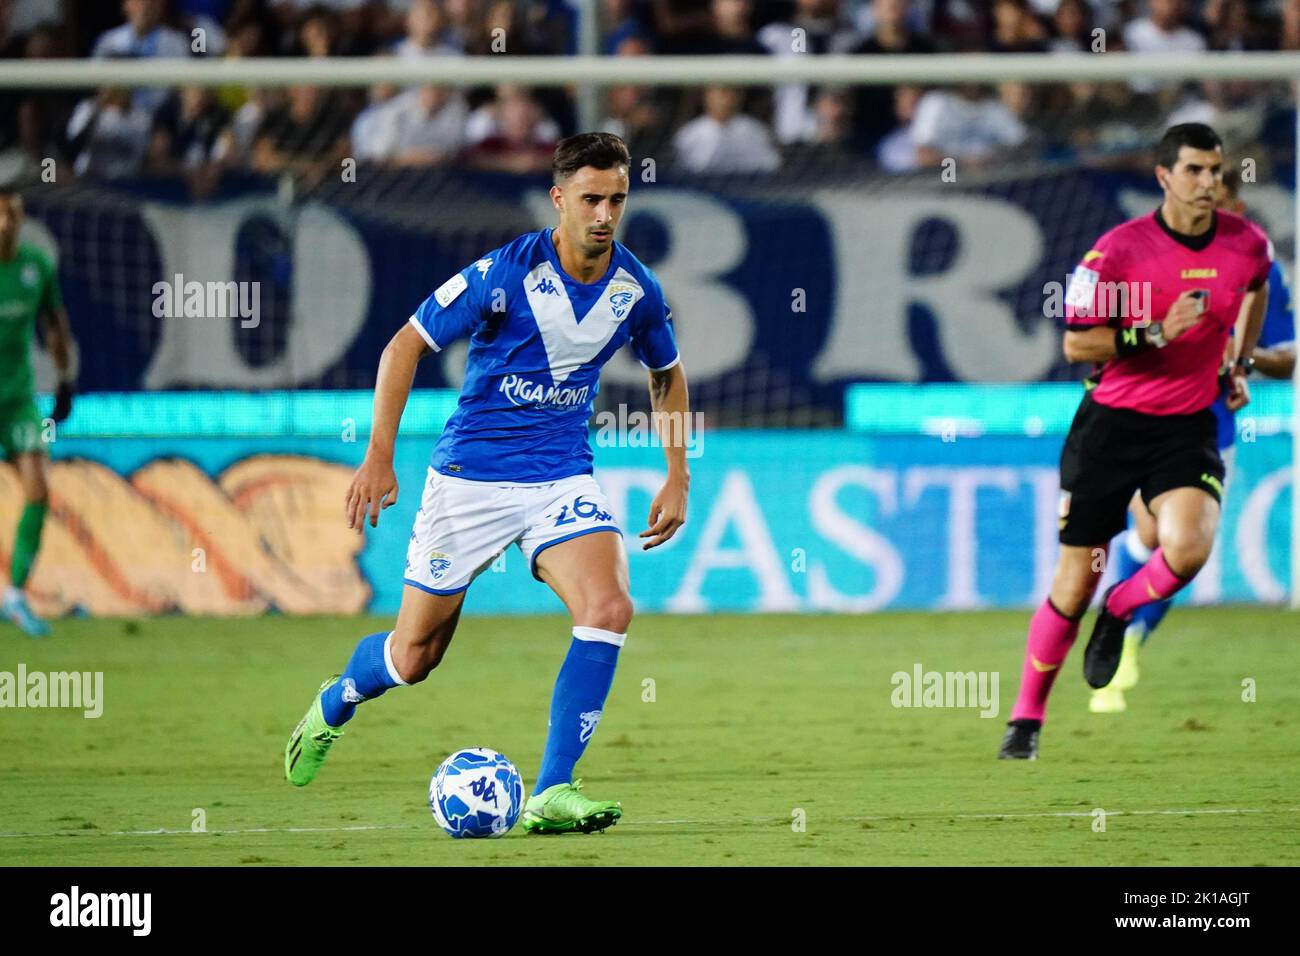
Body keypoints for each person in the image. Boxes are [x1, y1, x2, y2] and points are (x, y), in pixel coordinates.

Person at [283, 133, 690, 835]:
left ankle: (553, 790)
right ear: (559, 199)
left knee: (610, 607)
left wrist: (678, 473)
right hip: (469, 480)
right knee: (414, 658)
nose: (604, 214)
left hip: (561, 476)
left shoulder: (635, 289)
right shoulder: (503, 275)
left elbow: (667, 374)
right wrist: (380, 454)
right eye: (590, 199)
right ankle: (337, 702)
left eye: (617, 199)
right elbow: (404, 343)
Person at [999, 123, 1272, 759]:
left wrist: (1240, 361)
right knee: (1073, 584)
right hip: (1112, 427)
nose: (1209, 183)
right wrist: (1153, 332)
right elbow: (1076, 343)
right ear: (1164, 178)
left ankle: (1120, 613)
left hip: (1185, 424)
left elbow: (1255, 287)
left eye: (1215, 171)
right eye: (1195, 171)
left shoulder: (1245, 244)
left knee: (1189, 547)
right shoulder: (1116, 254)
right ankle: (1025, 721)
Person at [1089, 167, 1295, 713]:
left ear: (1237, 210)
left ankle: (1129, 635)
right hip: (1146, 410)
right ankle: (1118, 628)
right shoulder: (1144, 259)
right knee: (1152, 529)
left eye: (1220, 203)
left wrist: (1242, 358)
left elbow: (1288, 354)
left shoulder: (1257, 268)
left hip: (1211, 418)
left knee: (1182, 546)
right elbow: (1110, 341)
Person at [0, 187, 77, 637]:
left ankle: (15, 595)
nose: (6, 222)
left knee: (38, 488)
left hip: (18, 400)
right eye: (0, 214)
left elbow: (56, 325)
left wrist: (65, 381)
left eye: (13, 213)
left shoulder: (36, 267)